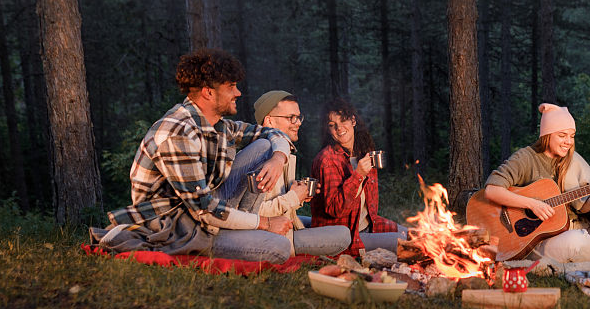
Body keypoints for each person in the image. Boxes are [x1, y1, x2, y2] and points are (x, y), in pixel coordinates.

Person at [91, 48, 294, 264]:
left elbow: (274, 133)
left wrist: (278, 158)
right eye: (231, 87)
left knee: (264, 145)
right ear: (208, 92)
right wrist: (265, 223)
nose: (238, 93)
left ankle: (243, 228)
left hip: (204, 210)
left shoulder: (219, 125)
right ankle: (246, 230)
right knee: (278, 249)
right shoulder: (177, 132)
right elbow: (203, 209)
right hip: (175, 224)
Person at [481, 103, 590, 265]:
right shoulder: (525, 158)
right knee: (581, 244)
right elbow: (492, 191)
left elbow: (581, 207)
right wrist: (533, 204)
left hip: (575, 226)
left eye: (572, 135)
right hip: (535, 239)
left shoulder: (572, 161)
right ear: (547, 135)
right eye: (562, 135)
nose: (568, 142)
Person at [246, 90, 352, 257]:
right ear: (269, 121)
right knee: (344, 235)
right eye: (291, 118)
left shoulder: (280, 152)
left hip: (285, 222)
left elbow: (280, 204)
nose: (298, 123)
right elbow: (252, 213)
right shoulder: (263, 155)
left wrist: (299, 196)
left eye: (298, 117)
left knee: (321, 223)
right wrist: (293, 197)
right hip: (271, 237)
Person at [309, 98, 406, 254]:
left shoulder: (363, 152)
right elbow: (335, 210)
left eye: (344, 121)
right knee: (410, 245)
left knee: (414, 235)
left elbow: (369, 204)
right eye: (332, 125)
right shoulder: (327, 160)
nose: (340, 128)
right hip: (347, 237)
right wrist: (358, 174)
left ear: (353, 120)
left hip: (369, 225)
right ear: (328, 129)